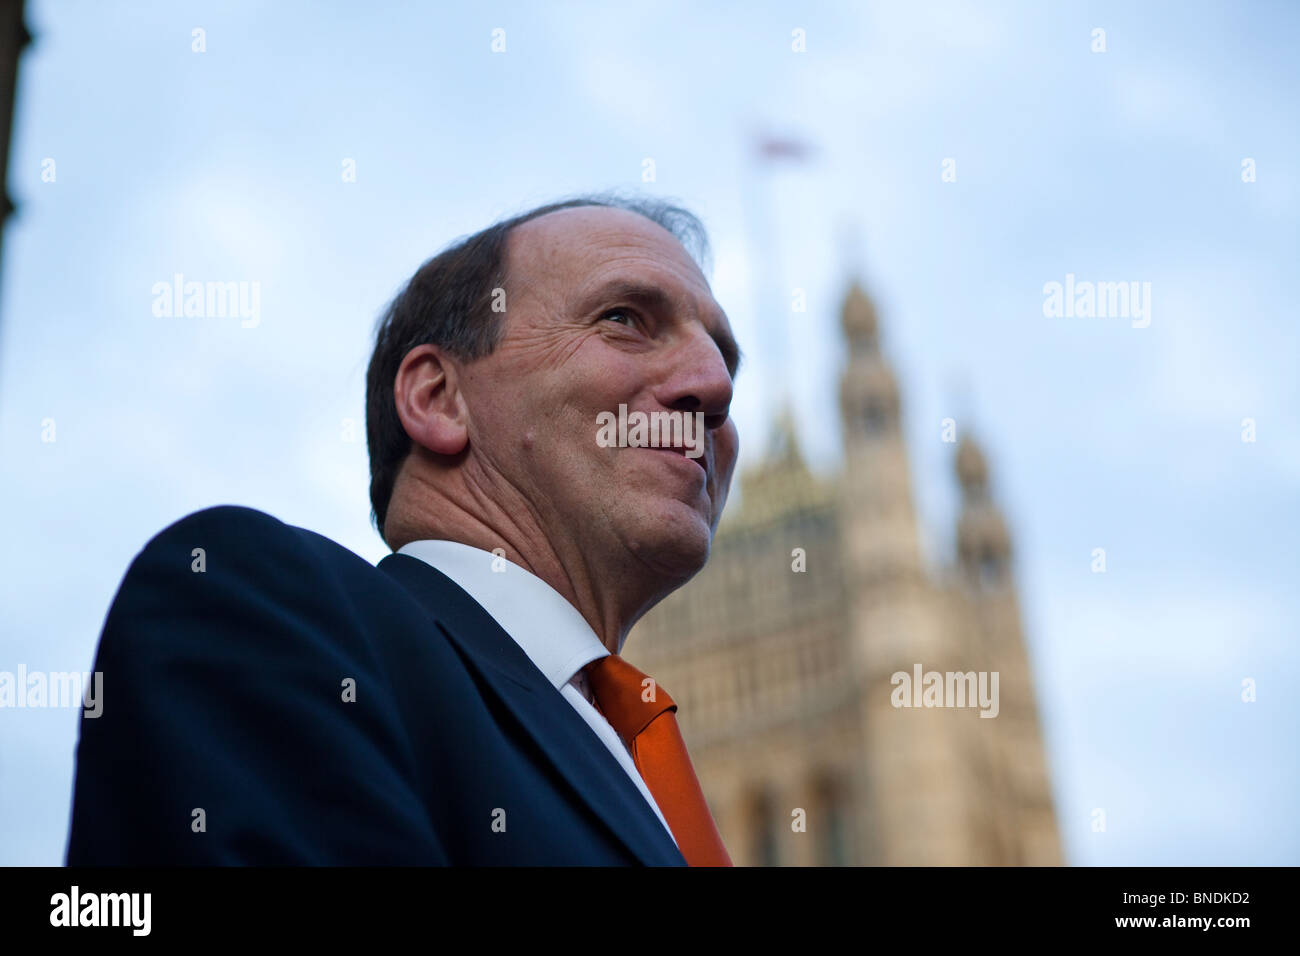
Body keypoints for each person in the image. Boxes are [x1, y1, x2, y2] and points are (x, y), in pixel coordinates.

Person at [65, 195, 742, 866]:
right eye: (624, 319)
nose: (715, 385)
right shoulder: (261, 607)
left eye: (722, 354)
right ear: (438, 400)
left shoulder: (638, 758)